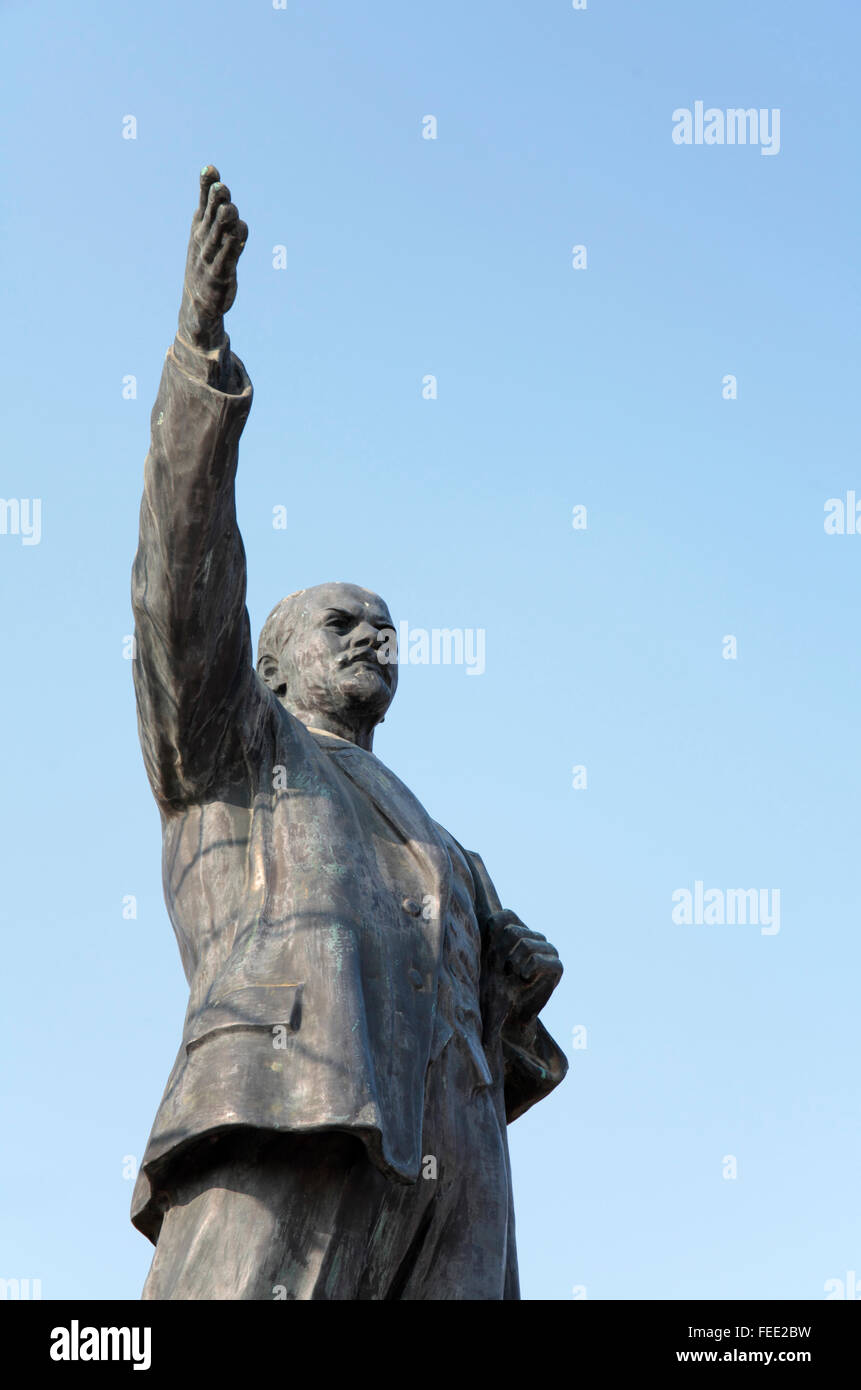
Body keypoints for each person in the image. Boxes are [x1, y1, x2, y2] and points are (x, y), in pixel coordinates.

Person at [131, 166, 567, 1300]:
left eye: (385, 624)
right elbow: (181, 590)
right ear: (270, 661)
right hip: (295, 1111)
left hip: (457, 1182)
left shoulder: (445, 842)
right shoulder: (238, 746)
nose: (374, 635)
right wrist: (199, 358)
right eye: (342, 621)